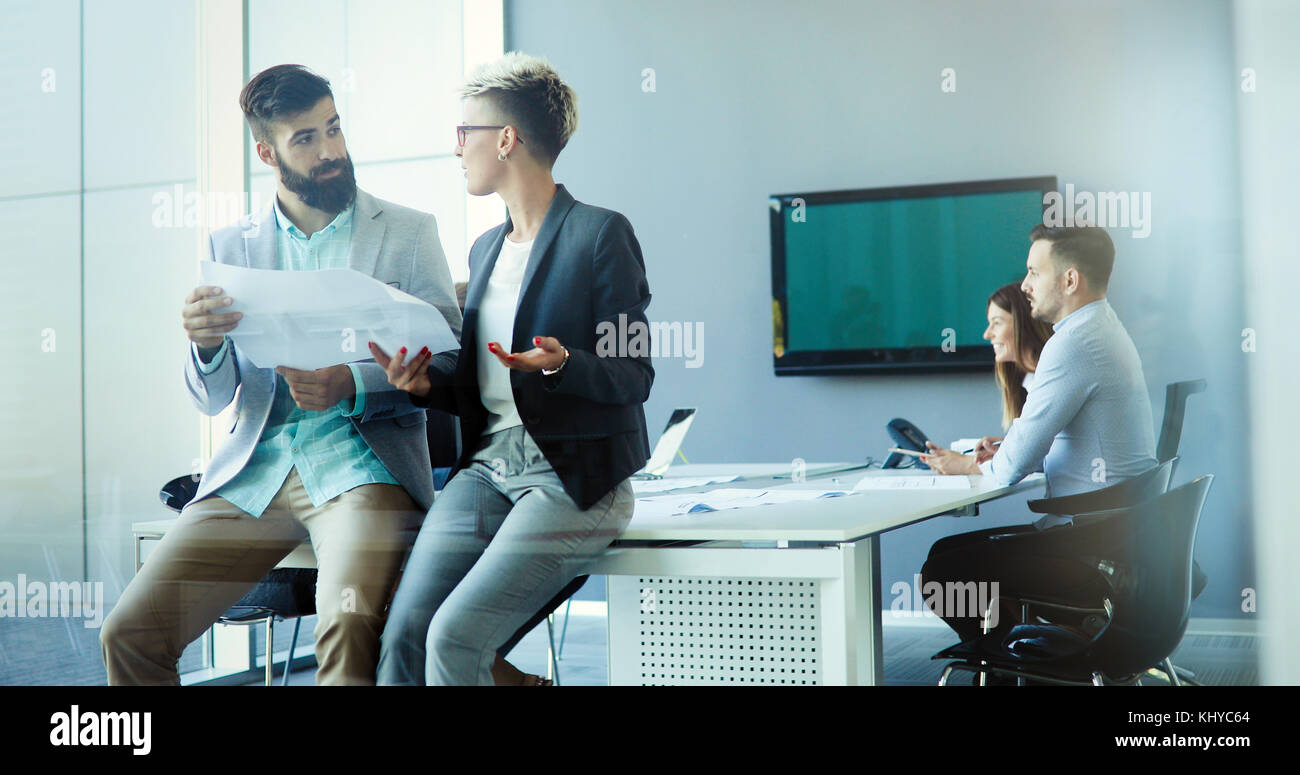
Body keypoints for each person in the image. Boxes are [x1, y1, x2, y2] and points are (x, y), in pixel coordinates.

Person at [100, 64, 463, 685]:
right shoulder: (231, 245)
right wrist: (206, 345)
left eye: (334, 129)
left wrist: (352, 382)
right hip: (256, 473)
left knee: (347, 623)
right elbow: (214, 399)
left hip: (364, 470)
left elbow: (451, 358)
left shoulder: (407, 232)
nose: (331, 152)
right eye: (306, 139)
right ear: (267, 151)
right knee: (130, 633)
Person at [371, 53, 653, 686]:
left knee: (455, 636)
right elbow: (479, 382)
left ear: (505, 139)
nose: (456, 148)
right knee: (404, 635)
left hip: (572, 477)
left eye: (464, 132)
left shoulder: (601, 234)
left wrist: (564, 364)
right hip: (488, 469)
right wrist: (426, 383)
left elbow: (634, 373)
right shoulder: (485, 248)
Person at [918, 223, 1157, 643]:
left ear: (1069, 280)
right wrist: (1008, 447)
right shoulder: (1102, 327)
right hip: (1118, 533)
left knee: (944, 569)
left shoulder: (1072, 344)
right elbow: (1048, 441)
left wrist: (967, 464)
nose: (1025, 285)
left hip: (1089, 544)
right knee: (948, 556)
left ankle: (1017, 662)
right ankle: (1026, 654)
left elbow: (1011, 470)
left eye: (1034, 272)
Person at [920, 283, 1053, 475]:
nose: (987, 334)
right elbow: (1055, 452)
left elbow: (1062, 456)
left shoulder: (1050, 381)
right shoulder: (1031, 381)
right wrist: (1008, 449)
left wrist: (968, 465)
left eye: (997, 323)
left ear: (1025, 324)